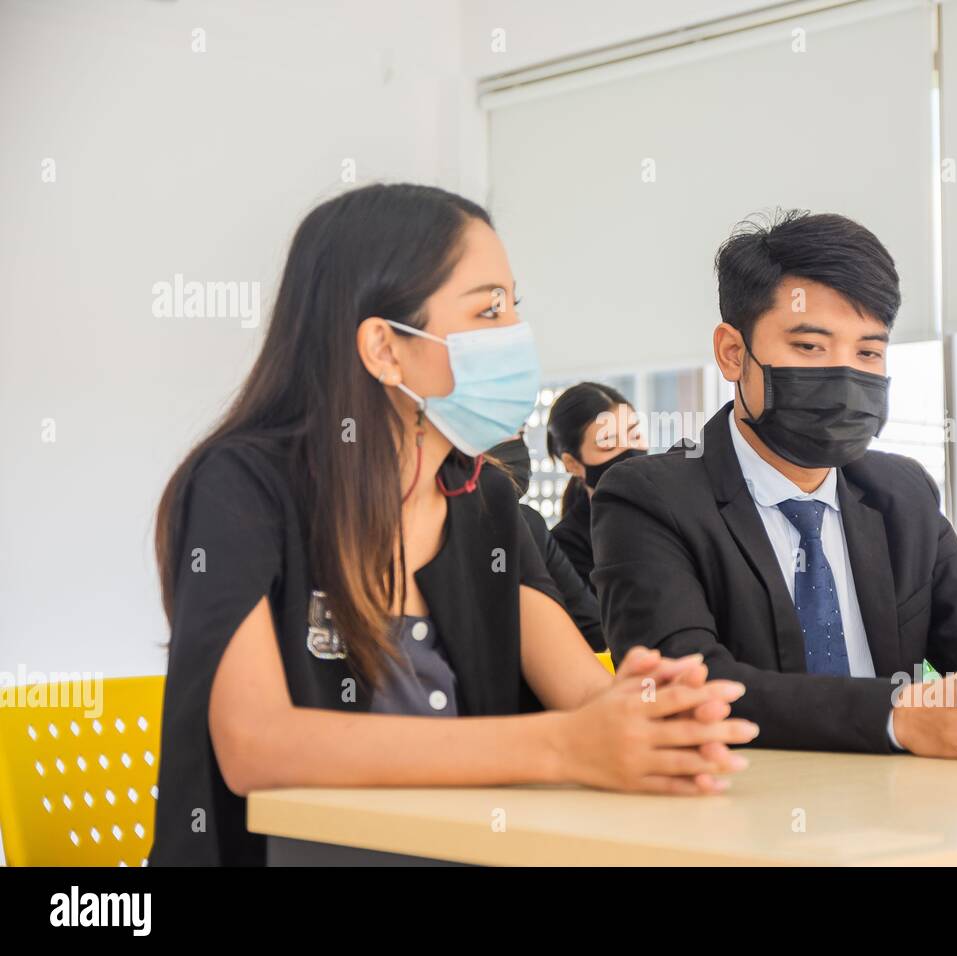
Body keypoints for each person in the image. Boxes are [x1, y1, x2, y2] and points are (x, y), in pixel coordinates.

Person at [150, 184, 755, 865]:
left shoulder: (488, 505)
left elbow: (582, 693)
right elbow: (256, 747)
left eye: (514, 307)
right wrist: (564, 746)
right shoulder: (241, 488)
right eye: (488, 309)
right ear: (384, 347)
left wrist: (653, 711)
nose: (515, 336)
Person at [591, 209, 957, 758]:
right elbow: (686, 687)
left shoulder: (901, 493)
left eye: (868, 352)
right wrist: (895, 716)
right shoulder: (649, 498)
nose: (845, 373)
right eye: (810, 346)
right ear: (732, 352)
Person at [487, 432, 605, 650]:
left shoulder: (526, 525)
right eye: (505, 432)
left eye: (521, 432)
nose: (518, 443)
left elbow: (591, 627)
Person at [546, 382, 648, 592]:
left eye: (635, 436)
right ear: (573, 464)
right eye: (608, 444)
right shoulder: (566, 546)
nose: (629, 451)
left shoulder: (672, 509)